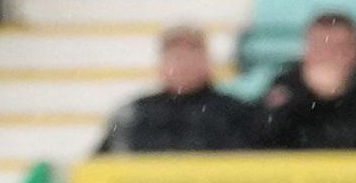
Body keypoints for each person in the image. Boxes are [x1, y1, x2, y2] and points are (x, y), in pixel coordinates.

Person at [99, 26, 262, 156]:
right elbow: (101, 167)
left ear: (208, 62)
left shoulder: (238, 113)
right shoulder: (134, 113)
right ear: (161, 65)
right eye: (176, 57)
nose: (184, 65)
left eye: (191, 56)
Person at [256, 13, 356, 152]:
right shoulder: (285, 86)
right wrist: (307, 94)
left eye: (337, 48)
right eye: (319, 46)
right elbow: (262, 137)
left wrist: (334, 95)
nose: (327, 55)